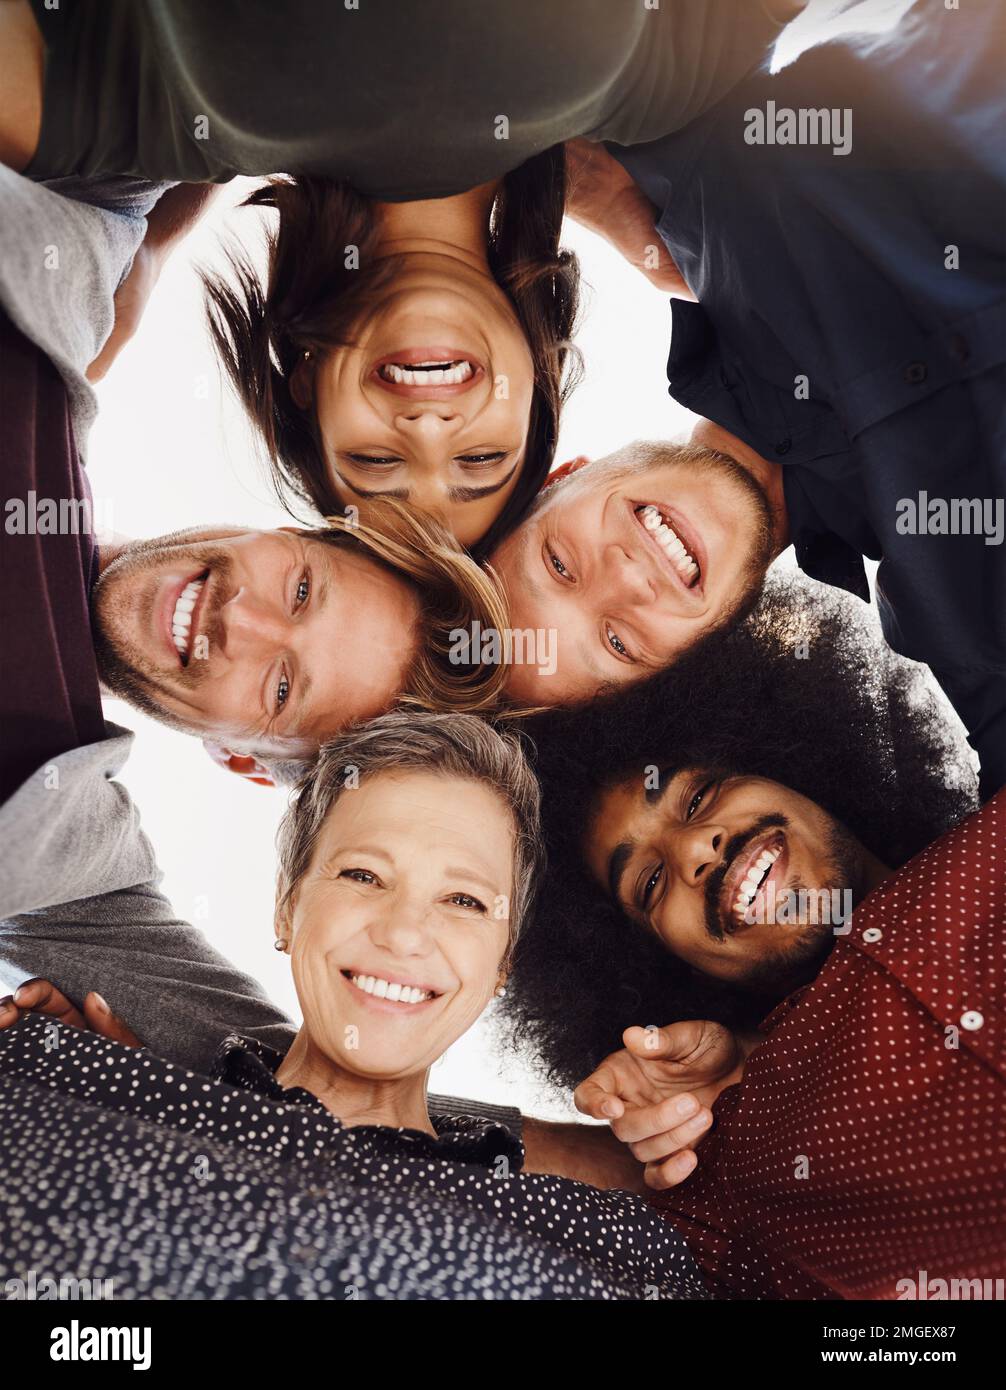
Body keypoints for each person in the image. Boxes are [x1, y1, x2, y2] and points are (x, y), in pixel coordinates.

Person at [0, 0, 790, 549]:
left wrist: (146, 234)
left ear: (306, 378)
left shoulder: (147, 117)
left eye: (374, 463)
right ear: (537, 378)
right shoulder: (665, 85)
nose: (426, 435)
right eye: (481, 462)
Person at [0, 712, 709, 1300]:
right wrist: (137, 1105)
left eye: (463, 899)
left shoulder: (609, 1235)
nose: (403, 932)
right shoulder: (89, 1076)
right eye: (364, 874)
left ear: (503, 965)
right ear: (288, 905)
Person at [532, 0, 1006, 794]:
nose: (625, 579)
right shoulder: (967, 641)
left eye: (559, 563)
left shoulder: (697, 176)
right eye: (617, 645)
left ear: (560, 476)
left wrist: (624, 214)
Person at [495, 588, 1005, 1298]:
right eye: (648, 885)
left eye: (697, 798)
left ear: (791, 761)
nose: (696, 850)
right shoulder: (739, 1182)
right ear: (652, 962)